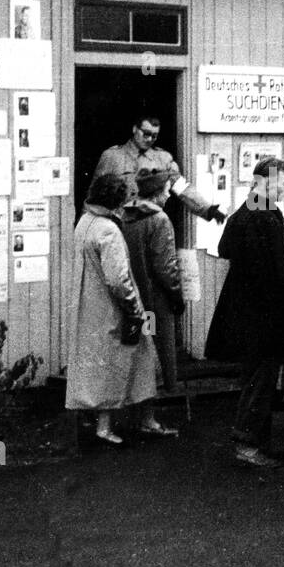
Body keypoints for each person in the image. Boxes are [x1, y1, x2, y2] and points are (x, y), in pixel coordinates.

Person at [205, 158, 284, 468]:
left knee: (255, 378)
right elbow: (277, 272)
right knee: (261, 381)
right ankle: (247, 444)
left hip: (247, 313)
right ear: (265, 181)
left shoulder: (245, 212)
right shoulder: (264, 217)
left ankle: (255, 441)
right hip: (265, 315)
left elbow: (224, 248)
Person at [65, 173, 160, 447]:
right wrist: (134, 309)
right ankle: (131, 422)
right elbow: (118, 279)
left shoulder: (85, 222)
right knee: (138, 360)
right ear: (116, 202)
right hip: (114, 308)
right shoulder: (109, 230)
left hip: (90, 307)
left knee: (99, 367)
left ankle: (111, 423)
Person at [120, 168, 186, 424]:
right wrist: (177, 296)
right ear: (158, 192)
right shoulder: (159, 220)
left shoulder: (126, 217)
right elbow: (166, 266)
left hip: (133, 297)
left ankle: (135, 414)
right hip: (156, 299)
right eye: (167, 190)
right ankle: (149, 419)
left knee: (136, 352)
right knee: (158, 353)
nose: (169, 194)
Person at [94, 114, 226, 223]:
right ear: (135, 129)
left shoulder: (163, 159)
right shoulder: (112, 156)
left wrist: (208, 209)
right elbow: (95, 194)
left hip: (149, 224)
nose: (150, 139)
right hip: (119, 223)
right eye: (146, 134)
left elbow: (182, 189)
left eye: (154, 136)